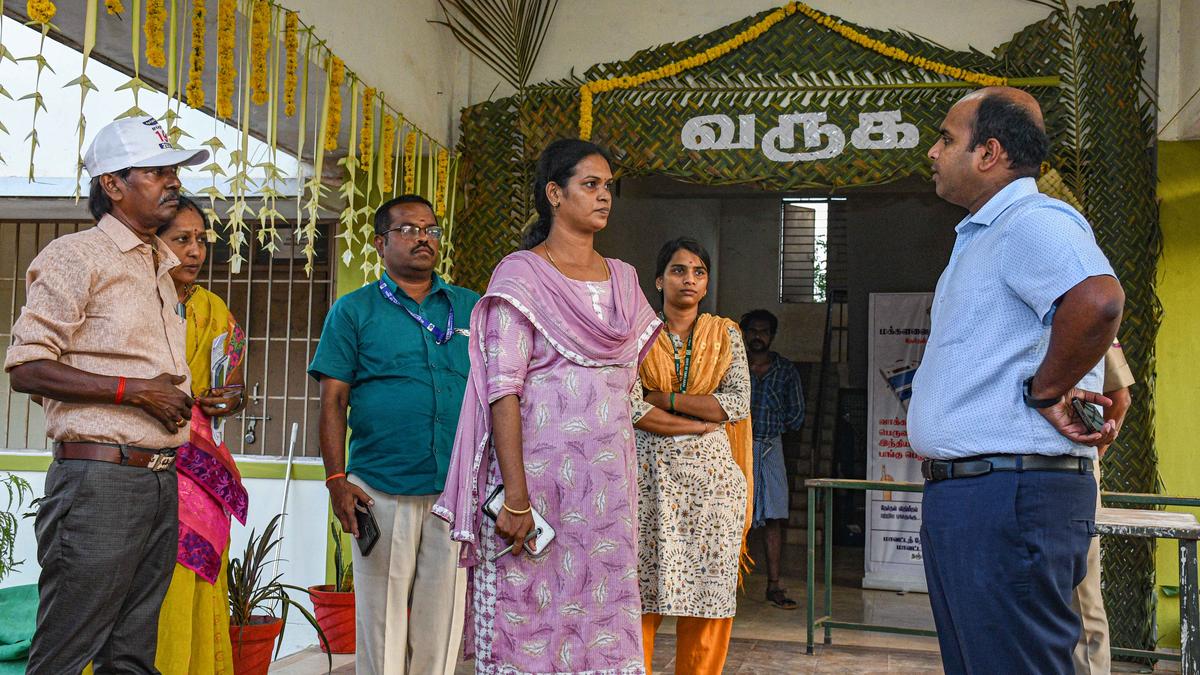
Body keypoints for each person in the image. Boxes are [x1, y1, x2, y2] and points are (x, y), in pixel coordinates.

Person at [909, 86, 1124, 674]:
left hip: (1009, 493)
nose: (933, 152)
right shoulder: (987, 233)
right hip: (980, 492)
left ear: (989, 153)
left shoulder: (1031, 221)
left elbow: (1098, 300)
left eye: (946, 139)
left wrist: (1047, 390)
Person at [434, 139, 661, 674]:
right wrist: (515, 497)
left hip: (606, 491)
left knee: (603, 620)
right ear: (555, 194)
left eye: (608, 187)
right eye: (590, 185)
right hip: (537, 488)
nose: (604, 196)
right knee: (530, 613)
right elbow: (503, 390)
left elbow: (626, 387)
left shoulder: (624, 280)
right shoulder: (522, 278)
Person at [4, 116, 207, 673]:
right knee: (68, 651)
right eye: (156, 172)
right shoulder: (77, 256)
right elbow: (26, 368)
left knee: (131, 654)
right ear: (113, 185)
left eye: (173, 171)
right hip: (100, 481)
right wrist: (132, 392)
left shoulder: (159, 268)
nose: (173, 182)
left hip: (158, 478)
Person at [309, 194, 476, 675]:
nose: (423, 237)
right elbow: (333, 401)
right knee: (381, 627)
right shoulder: (353, 311)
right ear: (381, 243)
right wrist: (336, 479)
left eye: (431, 229)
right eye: (408, 229)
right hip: (380, 488)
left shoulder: (471, 307)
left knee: (442, 625)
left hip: (453, 489)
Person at [633, 237, 753, 675]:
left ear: (706, 284)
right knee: (639, 596)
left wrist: (665, 398)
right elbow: (630, 407)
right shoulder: (635, 334)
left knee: (708, 598)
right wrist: (701, 423)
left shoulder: (726, 335)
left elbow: (736, 402)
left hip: (713, 493)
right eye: (679, 270)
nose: (689, 279)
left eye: (699, 272)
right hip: (648, 486)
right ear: (659, 280)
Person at [153, 196, 249, 674]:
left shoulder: (213, 308)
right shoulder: (134, 302)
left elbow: (232, 386)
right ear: (151, 242)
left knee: (196, 583)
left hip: (201, 474)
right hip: (143, 463)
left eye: (201, 240)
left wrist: (231, 399)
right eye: (181, 239)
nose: (194, 251)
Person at [1072, 339, 1135, 675]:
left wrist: (1095, 454)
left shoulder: (1088, 310)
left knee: (1081, 592)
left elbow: (1119, 398)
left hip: (1073, 463)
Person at [740, 308, 805, 610]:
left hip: (771, 447)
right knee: (735, 515)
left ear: (772, 336)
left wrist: (776, 429)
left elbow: (797, 414)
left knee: (775, 517)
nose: (758, 336)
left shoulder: (786, 370)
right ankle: (725, 585)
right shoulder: (733, 364)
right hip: (737, 448)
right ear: (745, 334)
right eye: (753, 331)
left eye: (764, 331)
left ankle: (774, 585)